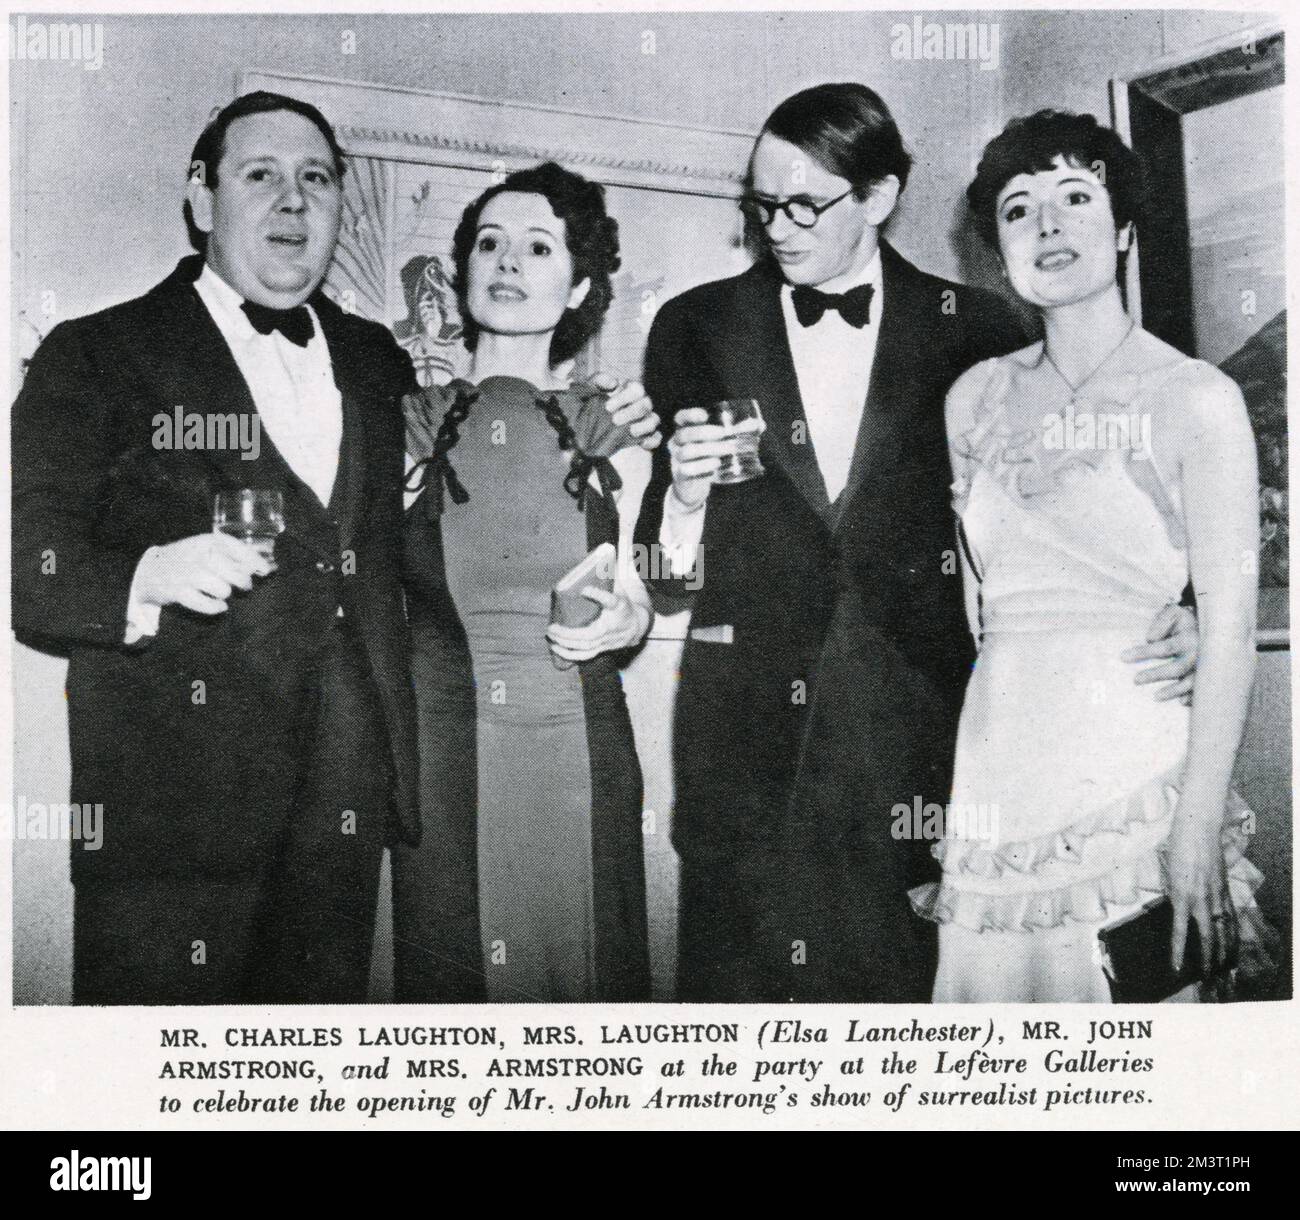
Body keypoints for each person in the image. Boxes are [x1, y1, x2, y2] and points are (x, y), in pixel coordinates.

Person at [636, 83, 1201, 1002]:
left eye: (805, 204)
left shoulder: (983, 332)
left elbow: (1069, 523)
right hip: (742, 760)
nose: (777, 228)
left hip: (924, 761)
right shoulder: (694, 326)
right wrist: (686, 498)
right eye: (761, 204)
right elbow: (664, 579)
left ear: (880, 197)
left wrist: (1187, 615)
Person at [11, 91, 420, 1003]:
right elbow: (32, 573)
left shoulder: (375, 360)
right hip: (171, 816)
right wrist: (150, 573)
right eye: (260, 174)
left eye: (316, 179)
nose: (293, 201)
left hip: (343, 806)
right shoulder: (96, 352)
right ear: (201, 199)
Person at [910, 110, 1270, 1002]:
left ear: (1125, 231)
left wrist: (1193, 832)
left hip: (1134, 767)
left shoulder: (1197, 399)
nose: (1049, 225)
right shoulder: (971, 400)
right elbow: (981, 615)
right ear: (996, 248)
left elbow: (1228, 635)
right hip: (999, 769)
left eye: (1077, 197)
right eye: (1018, 209)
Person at [392, 162, 658, 1002]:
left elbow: (647, 588)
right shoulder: (400, 421)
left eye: (538, 247)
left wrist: (631, 619)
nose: (507, 261)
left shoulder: (618, 428)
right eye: (489, 243)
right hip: (439, 758)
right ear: (464, 272)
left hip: (582, 754)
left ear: (579, 286)